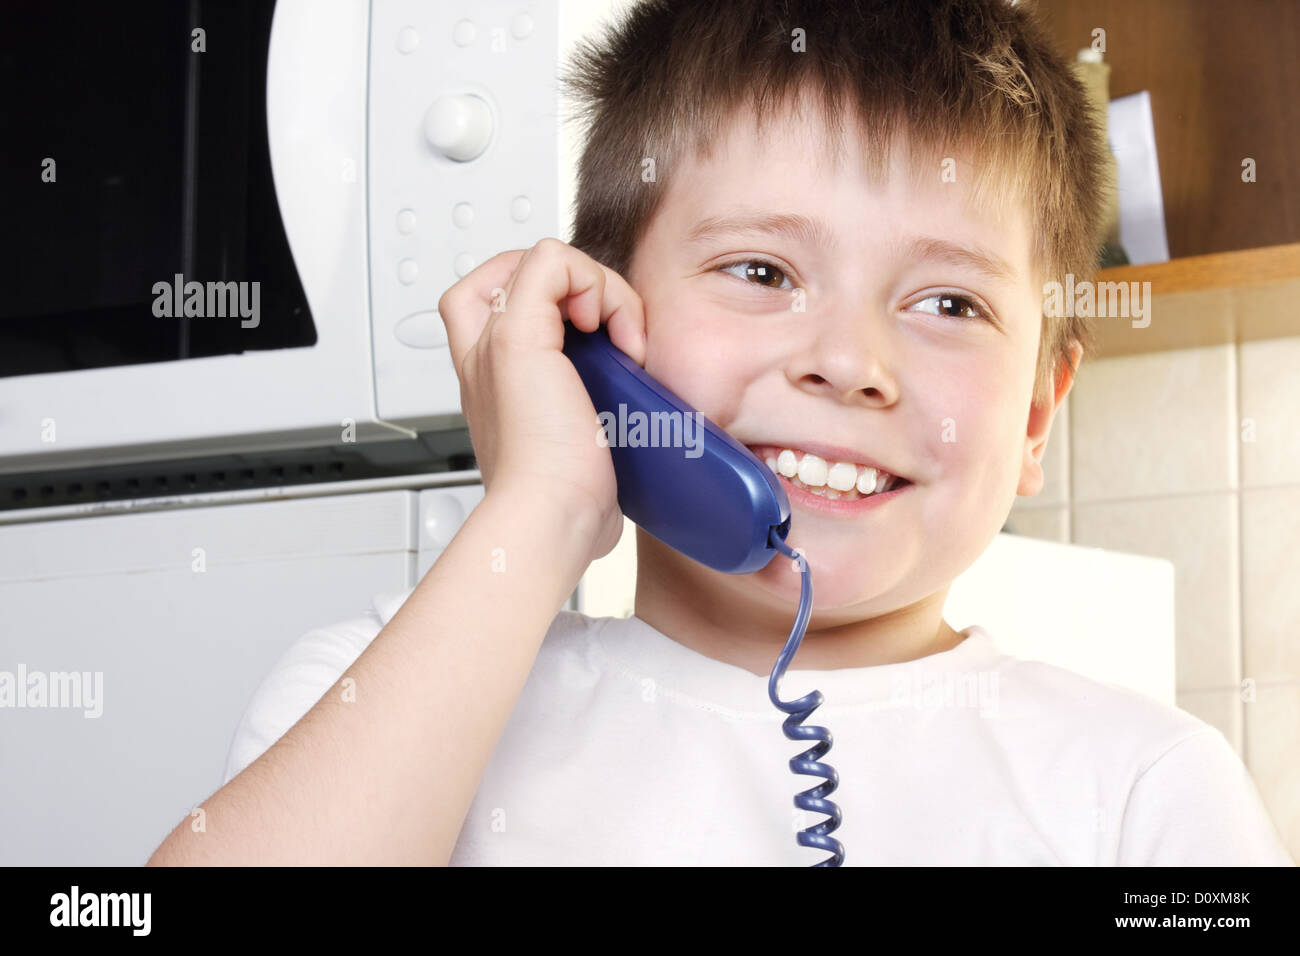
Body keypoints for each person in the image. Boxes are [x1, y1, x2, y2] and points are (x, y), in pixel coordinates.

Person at [147, 0, 1293, 866]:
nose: (848, 360)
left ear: (1038, 412)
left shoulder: (1148, 791)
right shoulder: (388, 687)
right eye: (760, 269)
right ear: (601, 336)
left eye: (950, 302)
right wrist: (537, 515)